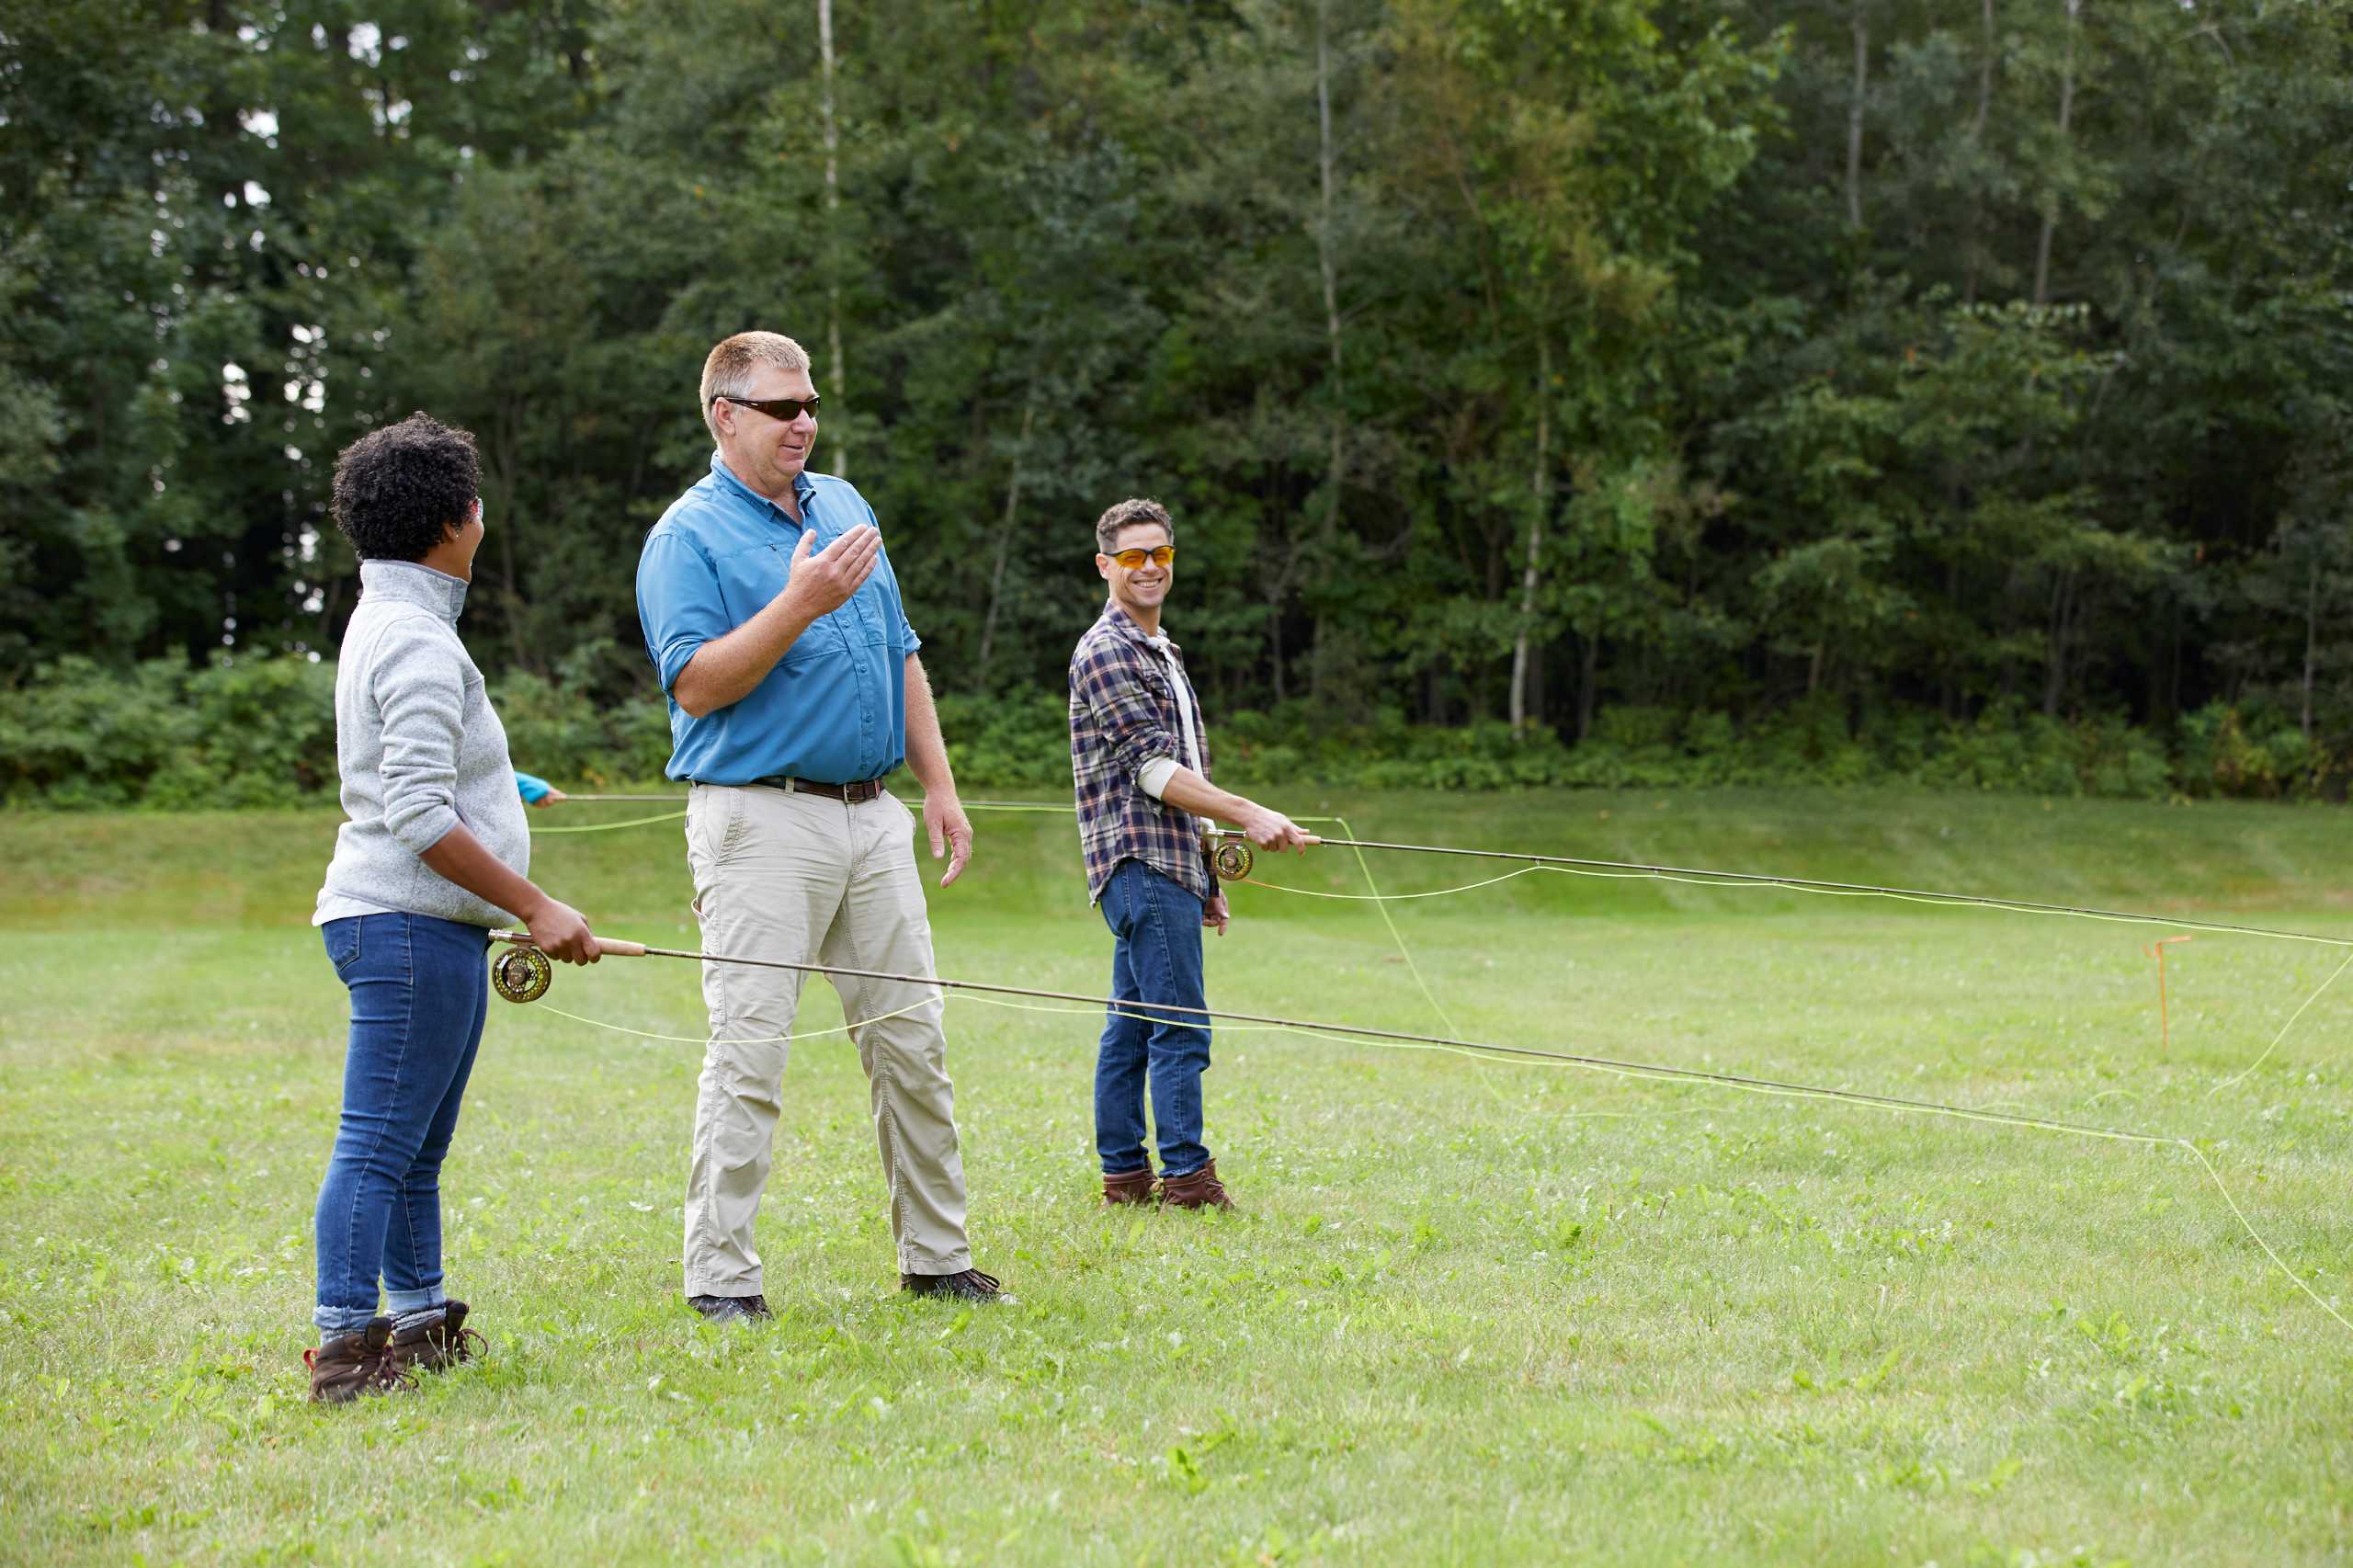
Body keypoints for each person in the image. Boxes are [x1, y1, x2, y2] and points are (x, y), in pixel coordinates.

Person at [634, 330, 1003, 1320]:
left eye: (810, 406)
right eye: (781, 407)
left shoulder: (844, 504)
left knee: (912, 1040)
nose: (803, 422)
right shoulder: (687, 534)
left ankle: (937, 1257)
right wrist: (798, 603)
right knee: (750, 1052)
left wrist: (939, 783)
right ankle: (721, 1279)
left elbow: (901, 650)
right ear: (725, 414)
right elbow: (697, 685)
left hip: (870, 815)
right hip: (760, 820)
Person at [308, 413, 603, 1403]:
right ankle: (347, 1350)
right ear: (458, 521)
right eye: (477, 502)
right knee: (378, 1147)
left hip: (423, 928)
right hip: (402, 926)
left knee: (416, 1149)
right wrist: (538, 904)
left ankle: (423, 1322)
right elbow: (417, 810)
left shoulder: (394, 622)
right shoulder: (417, 639)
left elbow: (431, 772)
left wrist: (512, 793)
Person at [1067, 498, 1310, 1211]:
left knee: (1135, 1025)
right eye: (1133, 555)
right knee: (1180, 1027)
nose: (1149, 567)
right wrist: (1251, 814)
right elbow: (1151, 769)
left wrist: (1206, 870)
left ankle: (1126, 1178)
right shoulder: (1107, 649)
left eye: (1160, 554)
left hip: (1166, 864)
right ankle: (1189, 1182)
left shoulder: (1160, 650)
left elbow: (1177, 764)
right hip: (1138, 863)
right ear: (1105, 565)